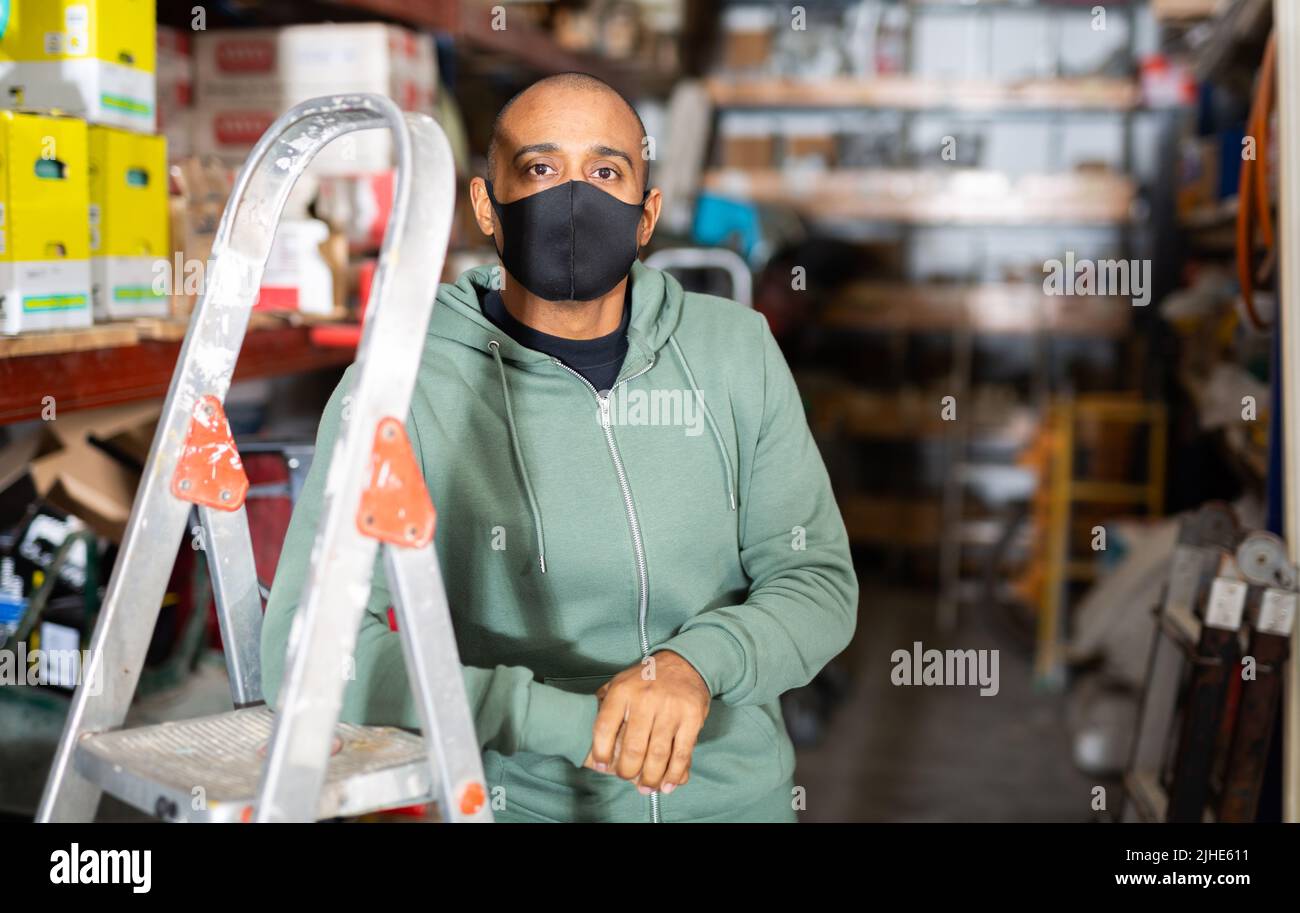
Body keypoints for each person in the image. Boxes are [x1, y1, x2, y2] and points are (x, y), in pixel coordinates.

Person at [262, 72, 858, 823]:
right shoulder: (398, 389)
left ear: (647, 215)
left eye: (607, 171)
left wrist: (696, 665)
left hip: (738, 802)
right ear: (486, 205)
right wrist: (572, 725)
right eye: (541, 168)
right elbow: (311, 651)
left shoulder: (735, 350)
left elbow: (816, 579)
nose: (576, 197)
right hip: (520, 806)